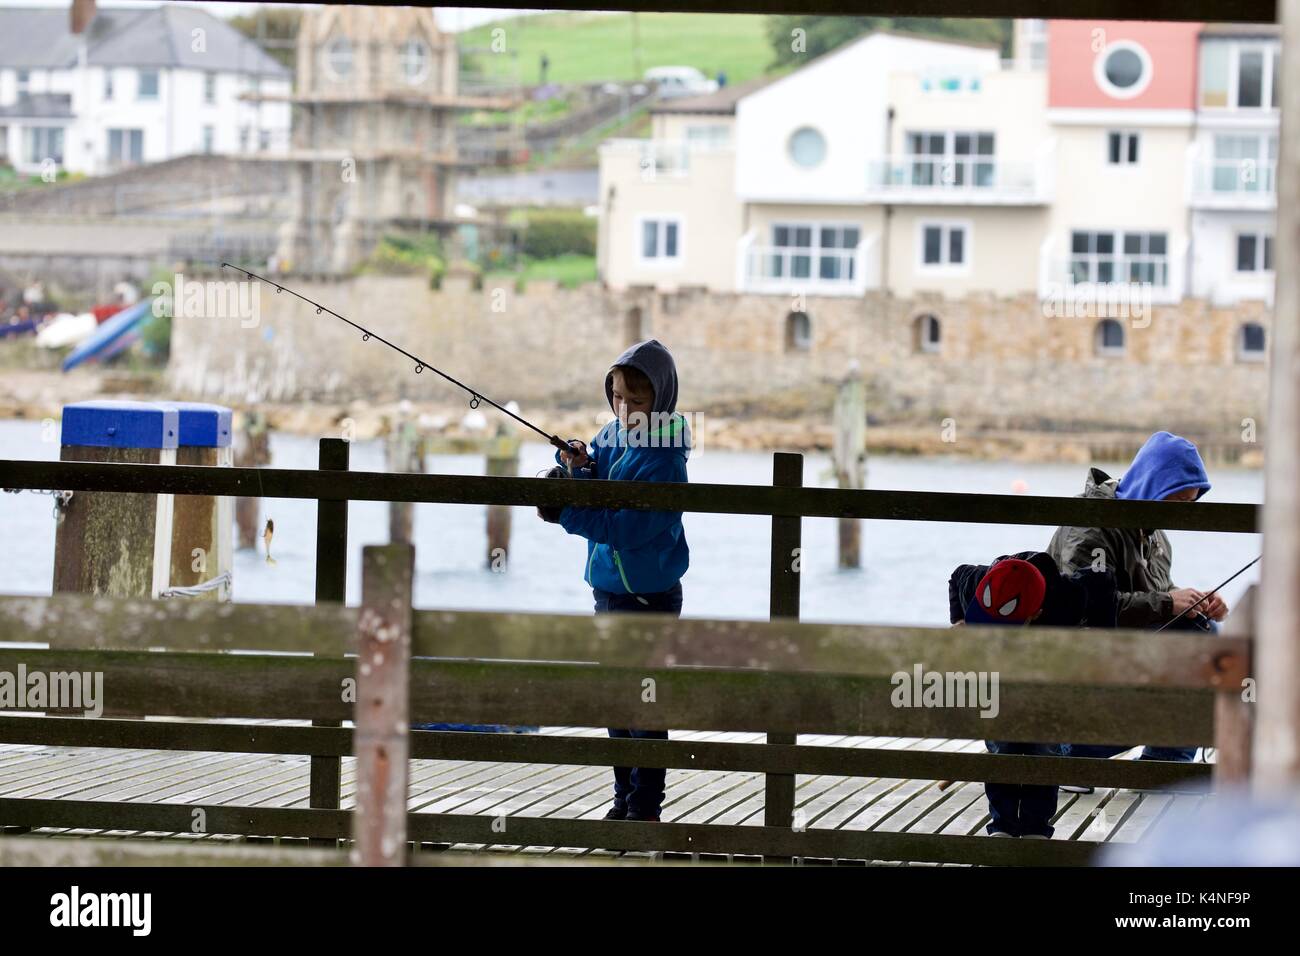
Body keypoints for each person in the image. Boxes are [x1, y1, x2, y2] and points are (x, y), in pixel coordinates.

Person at [542, 338, 690, 822]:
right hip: (606, 590)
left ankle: (646, 807)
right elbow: (601, 484)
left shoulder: (666, 459)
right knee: (616, 702)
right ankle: (622, 799)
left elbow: (627, 528)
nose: (625, 409)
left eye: (638, 400)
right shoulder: (612, 434)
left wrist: (566, 512)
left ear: (662, 399)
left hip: (649, 597)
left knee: (644, 706)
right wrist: (580, 467)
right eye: (617, 396)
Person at [1047, 431, 1225, 770]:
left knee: (1203, 628)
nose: (1183, 516)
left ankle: (1165, 763)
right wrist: (1168, 603)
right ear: (1152, 487)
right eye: (1177, 504)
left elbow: (1160, 597)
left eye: (1190, 505)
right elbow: (1085, 610)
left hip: (1121, 654)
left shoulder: (1154, 534)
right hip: (1076, 664)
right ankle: (1069, 753)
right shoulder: (1091, 527)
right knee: (1197, 640)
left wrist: (1196, 602)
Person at [950, 552, 1118, 839]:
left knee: (1043, 744)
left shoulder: (1068, 598)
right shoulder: (973, 581)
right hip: (997, 668)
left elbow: (1104, 578)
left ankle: (1035, 827)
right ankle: (1001, 825)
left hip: (1047, 662)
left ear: (1036, 613)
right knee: (1001, 741)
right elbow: (956, 575)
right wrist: (959, 621)